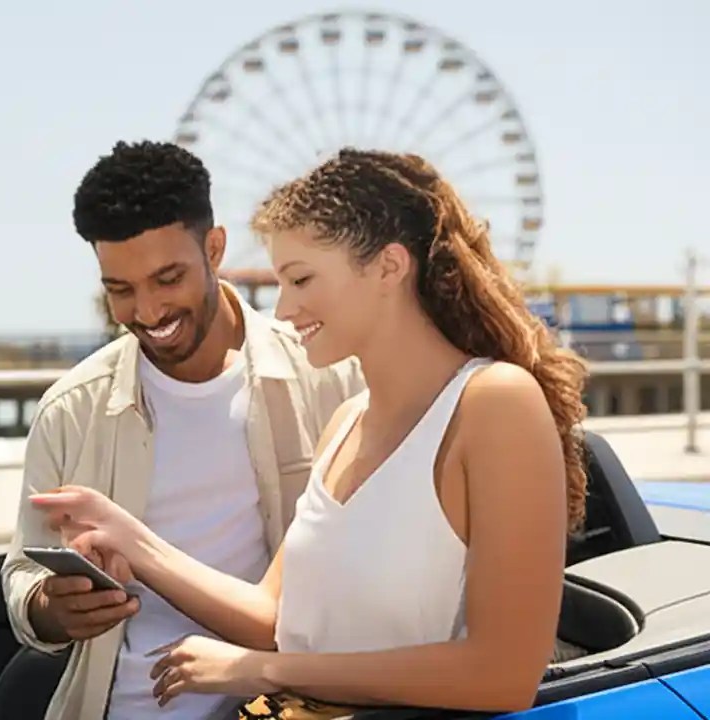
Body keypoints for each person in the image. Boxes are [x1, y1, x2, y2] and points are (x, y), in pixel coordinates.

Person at [30, 148, 590, 717]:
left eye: (300, 279)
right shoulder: (345, 423)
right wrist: (131, 540)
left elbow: (502, 675)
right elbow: (275, 621)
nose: (285, 309)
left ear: (389, 268)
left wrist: (262, 670)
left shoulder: (495, 403)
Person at [0, 140, 366, 720]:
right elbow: (22, 572)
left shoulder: (329, 381)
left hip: (281, 707)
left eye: (167, 278)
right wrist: (51, 607)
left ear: (214, 248)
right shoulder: (72, 409)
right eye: (120, 289)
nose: (147, 312)